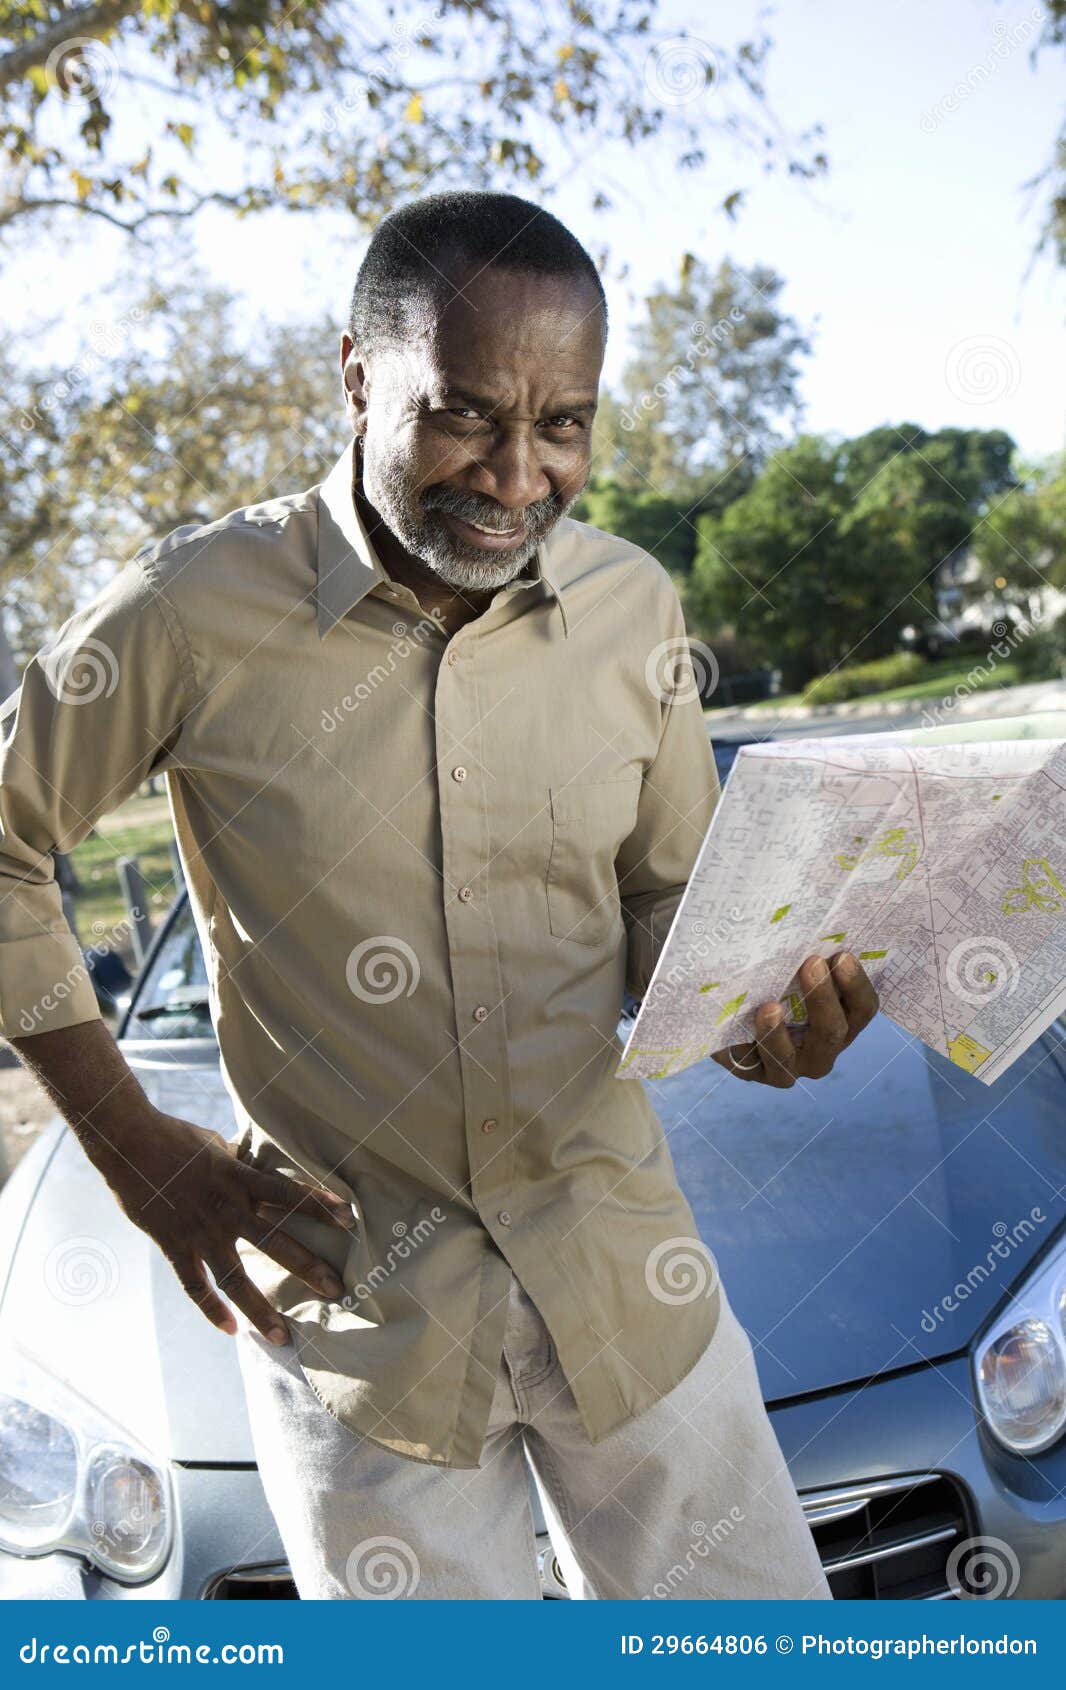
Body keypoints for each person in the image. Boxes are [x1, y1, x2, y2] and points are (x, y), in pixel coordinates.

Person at [0, 191, 878, 1600]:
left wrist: (755, 1024)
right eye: (467, 415)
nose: (519, 477)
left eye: (564, 425)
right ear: (355, 373)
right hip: (363, 1329)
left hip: (624, 1285)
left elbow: (669, 910)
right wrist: (131, 1145)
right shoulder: (184, 612)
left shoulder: (633, 610)